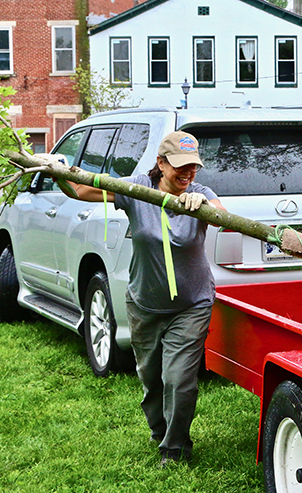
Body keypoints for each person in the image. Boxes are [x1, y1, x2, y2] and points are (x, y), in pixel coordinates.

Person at [64, 131, 226, 466]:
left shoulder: (200, 194)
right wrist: (54, 169)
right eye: (181, 167)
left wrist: (206, 206)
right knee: (152, 379)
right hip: (144, 305)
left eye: (194, 167)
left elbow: (225, 216)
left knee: (179, 380)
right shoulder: (137, 190)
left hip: (191, 304)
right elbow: (80, 188)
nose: (188, 174)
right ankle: (160, 431)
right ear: (161, 163)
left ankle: (175, 448)